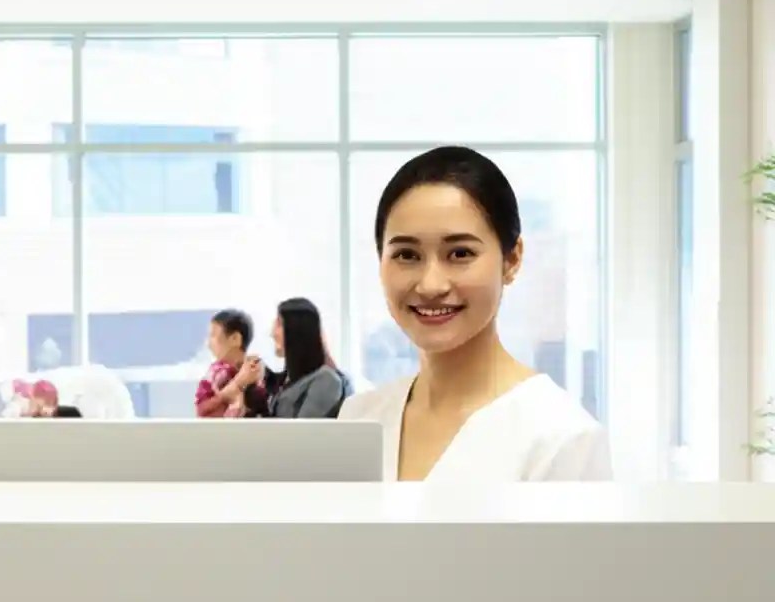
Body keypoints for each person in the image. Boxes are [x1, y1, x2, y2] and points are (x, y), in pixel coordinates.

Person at [337, 145, 611, 481]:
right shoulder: (360, 420)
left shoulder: (562, 437)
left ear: (512, 260)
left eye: (460, 253)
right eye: (407, 255)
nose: (430, 285)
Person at [242, 298, 350, 418]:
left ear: (297, 330)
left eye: (279, 324)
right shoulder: (289, 378)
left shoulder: (326, 380)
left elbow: (303, 432)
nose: (272, 333)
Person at [195, 309, 258, 418]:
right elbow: (202, 410)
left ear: (235, 339)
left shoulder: (258, 373)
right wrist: (237, 384)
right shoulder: (215, 374)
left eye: (213, 335)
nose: (208, 343)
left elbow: (202, 410)